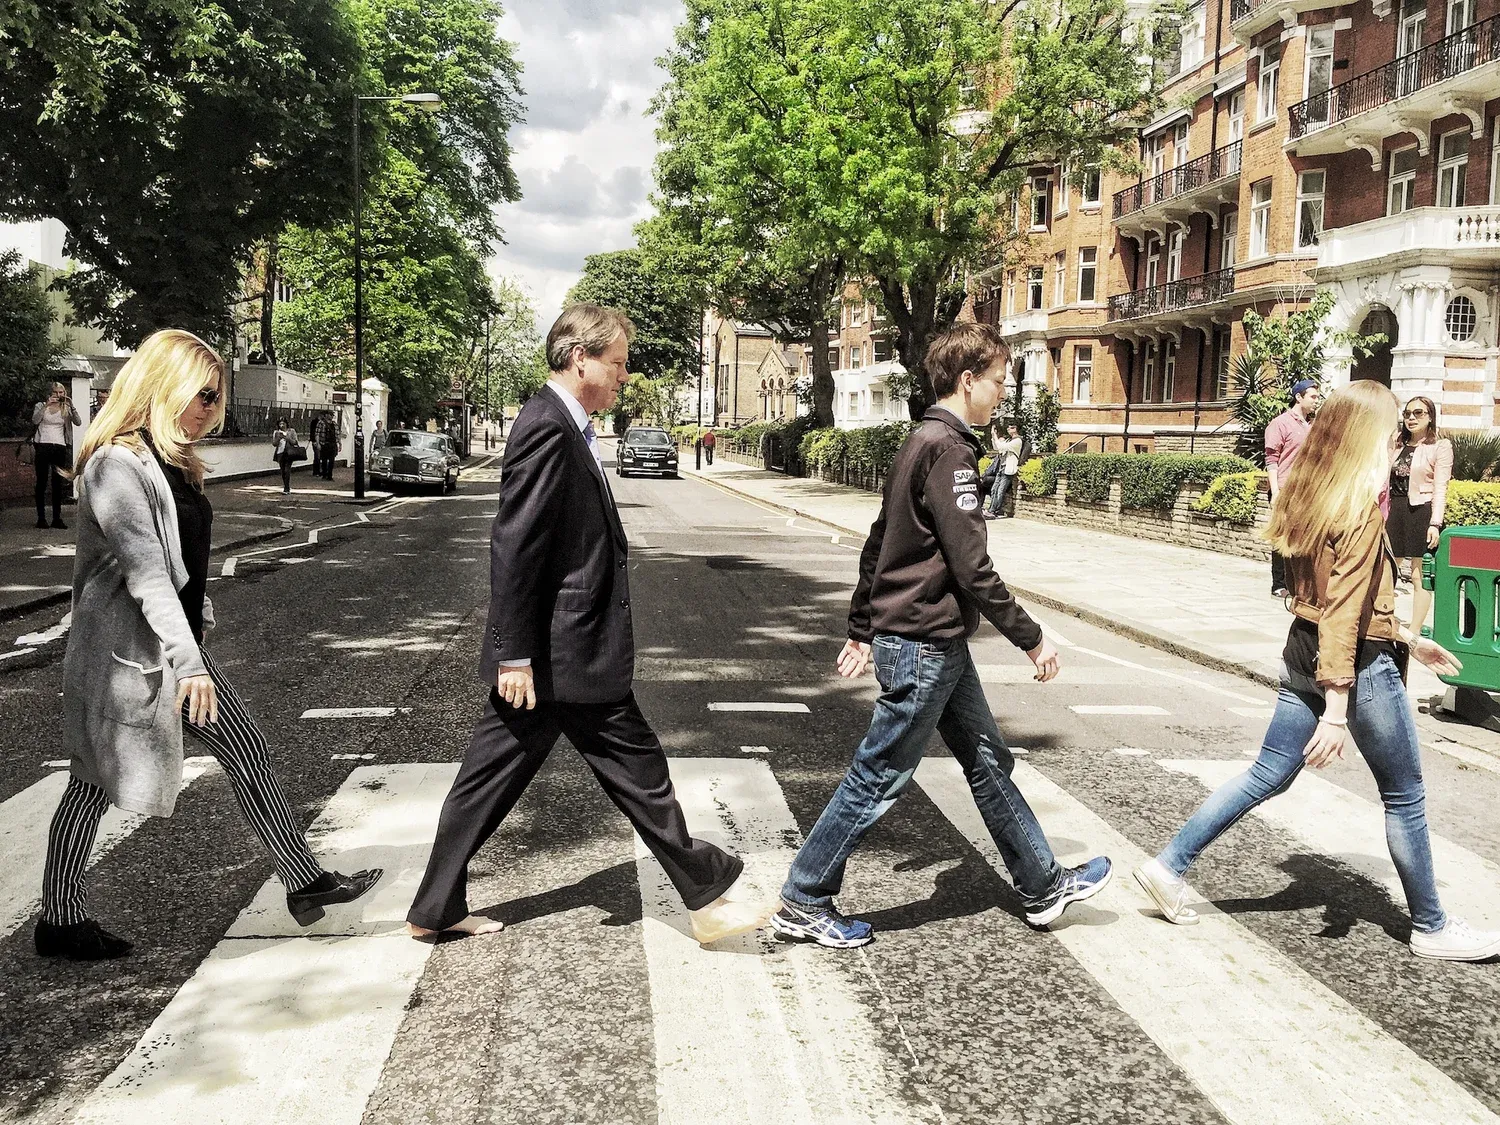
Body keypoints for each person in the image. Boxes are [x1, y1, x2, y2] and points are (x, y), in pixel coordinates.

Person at [406, 304, 763, 945]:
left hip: (558, 651)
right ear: (581, 358)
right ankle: (707, 893)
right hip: (563, 651)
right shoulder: (548, 426)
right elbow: (516, 545)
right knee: (640, 773)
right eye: (618, 363)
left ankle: (434, 908)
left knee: (487, 782)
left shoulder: (564, 423)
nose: (625, 375)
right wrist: (514, 654)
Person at [35, 330, 380, 961]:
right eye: (204, 395)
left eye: (217, 398)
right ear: (164, 386)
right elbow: (144, 572)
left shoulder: (170, 462)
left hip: (169, 648)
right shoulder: (116, 466)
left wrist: (198, 617)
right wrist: (190, 660)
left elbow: (179, 563)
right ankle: (58, 918)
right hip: (128, 657)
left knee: (240, 750)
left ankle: (303, 880)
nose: (212, 409)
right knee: (93, 779)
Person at [770, 322, 1112, 949]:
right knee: (879, 775)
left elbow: (879, 541)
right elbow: (972, 567)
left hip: (931, 640)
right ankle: (804, 897)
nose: (1003, 392)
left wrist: (862, 627)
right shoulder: (950, 450)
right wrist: (1031, 637)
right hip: (925, 642)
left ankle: (1042, 884)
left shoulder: (919, 440)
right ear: (967, 380)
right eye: (998, 381)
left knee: (986, 759)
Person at [1135, 381, 1500, 961]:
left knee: (1267, 774)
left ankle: (1168, 865)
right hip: (1355, 663)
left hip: (1302, 650)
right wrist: (1336, 709)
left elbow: (1330, 599)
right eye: (1389, 432)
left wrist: (1410, 637)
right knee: (1404, 794)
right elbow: (1343, 612)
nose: (1395, 442)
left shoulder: (1308, 495)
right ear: (1365, 436)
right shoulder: (1357, 509)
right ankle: (1431, 925)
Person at [1387, 396, 1451, 633]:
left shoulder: (1440, 446)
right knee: (1387, 569)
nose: (1411, 418)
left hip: (1421, 510)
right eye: (1407, 414)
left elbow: (1441, 487)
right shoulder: (1396, 442)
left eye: (1418, 413)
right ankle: (1384, 620)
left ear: (1430, 416)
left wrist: (1435, 523)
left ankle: (1414, 630)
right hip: (1394, 508)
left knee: (1418, 573)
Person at [1265, 379, 1323, 596]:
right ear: (1299, 397)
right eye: (1313, 397)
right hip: (1285, 488)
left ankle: (1301, 584)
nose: (1317, 401)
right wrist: (1276, 491)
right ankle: (1280, 584)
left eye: (1318, 397)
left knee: (1303, 537)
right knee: (1282, 536)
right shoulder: (1280, 423)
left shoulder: (1313, 426)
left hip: (1307, 490)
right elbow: (1271, 459)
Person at [32, 383, 82, 530]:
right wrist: (46, 406)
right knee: (41, 482)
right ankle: (41, 518)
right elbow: (35, 420)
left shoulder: (66, 407)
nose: (58, 395)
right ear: (50, 393)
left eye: (61, 392)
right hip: (42, 445)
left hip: (60, 446)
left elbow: (78, 422)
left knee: (57, 483)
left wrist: (72, 405)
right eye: (55, 392)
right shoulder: (41, 405)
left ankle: (56, 518)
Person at [985, 421, 1024, 520]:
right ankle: (991, 509)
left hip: (1008, 469)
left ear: (1015, 429)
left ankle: (994, 511)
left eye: (1011, 427)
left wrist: (995, 436)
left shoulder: (1017, 441)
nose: (1008, 429)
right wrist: (993, 436)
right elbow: (998, 448)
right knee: (994, 489)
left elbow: (1002, 446)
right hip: (1002, 468)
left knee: (1000, 491)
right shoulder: (1008, 440)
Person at [272, 419, 299, 495]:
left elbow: (295, 442)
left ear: (286, 424)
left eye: (283, 423)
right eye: (280, 424)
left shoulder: (291, 431)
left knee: (287, 470)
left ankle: (286, 488)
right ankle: (285, 485)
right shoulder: (276, 432)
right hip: (280, 453)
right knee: (283, 470)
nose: (282, 425)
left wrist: (288, 438)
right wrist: (278, 438)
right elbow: (274, 444)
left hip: (289, 453)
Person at [311, 410, 338, 480]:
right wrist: (318, 443)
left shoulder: (334, 424)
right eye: (330, 415)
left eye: (332, 415)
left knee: (332, 460)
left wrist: (339, 443)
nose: (332, 416)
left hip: (332, 444)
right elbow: (317, 434)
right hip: (324, 443)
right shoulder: (321, 423)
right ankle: (324, 474)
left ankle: (330, 475)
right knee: (324, 460)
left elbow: (337, 434)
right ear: (326, 415)